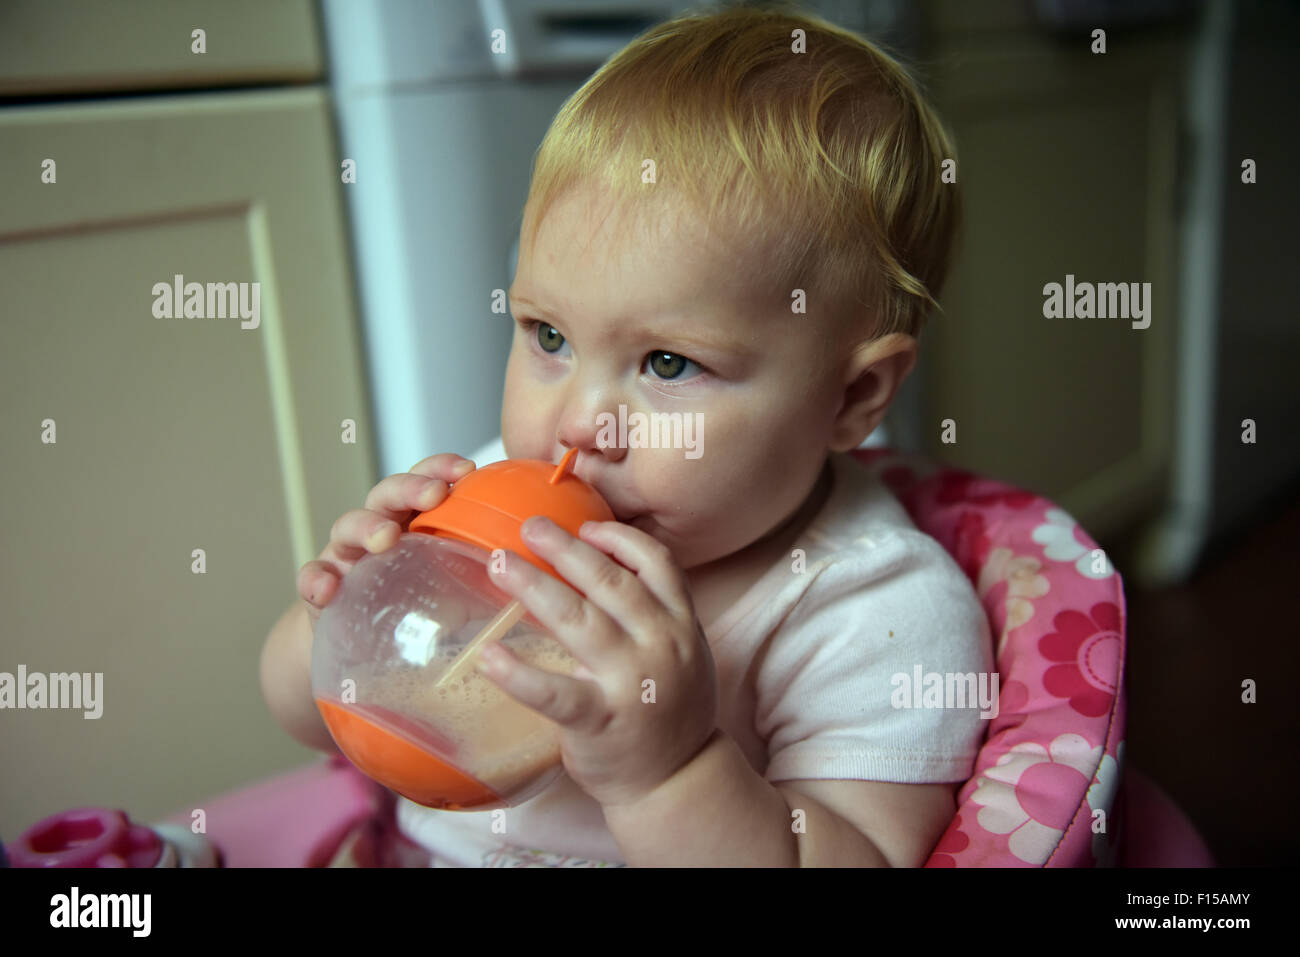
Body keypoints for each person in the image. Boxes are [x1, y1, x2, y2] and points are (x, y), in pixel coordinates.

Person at [260, 4, 992, 867]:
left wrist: (671, 772)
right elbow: (309, 712)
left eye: (669, 364)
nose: (577, 424)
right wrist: (346, 616)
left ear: (852, 396)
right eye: (550, 337)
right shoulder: (492, 498)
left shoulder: (873, 613)